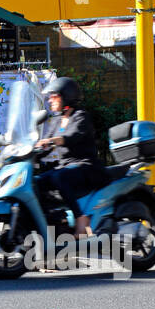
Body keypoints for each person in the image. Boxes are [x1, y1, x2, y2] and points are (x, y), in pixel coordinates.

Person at [34, 76, 105, 237]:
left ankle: (81, 219)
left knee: (59, 178)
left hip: (85, 166)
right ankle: (53, 223)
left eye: (54, 96)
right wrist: (32, 152)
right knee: (36, 183)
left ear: (67, 95)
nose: (50, 100)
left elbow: (73, 136)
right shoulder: (58, 120)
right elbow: (46, 147)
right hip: (66, 166)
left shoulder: (80, 116)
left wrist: (52, 140)